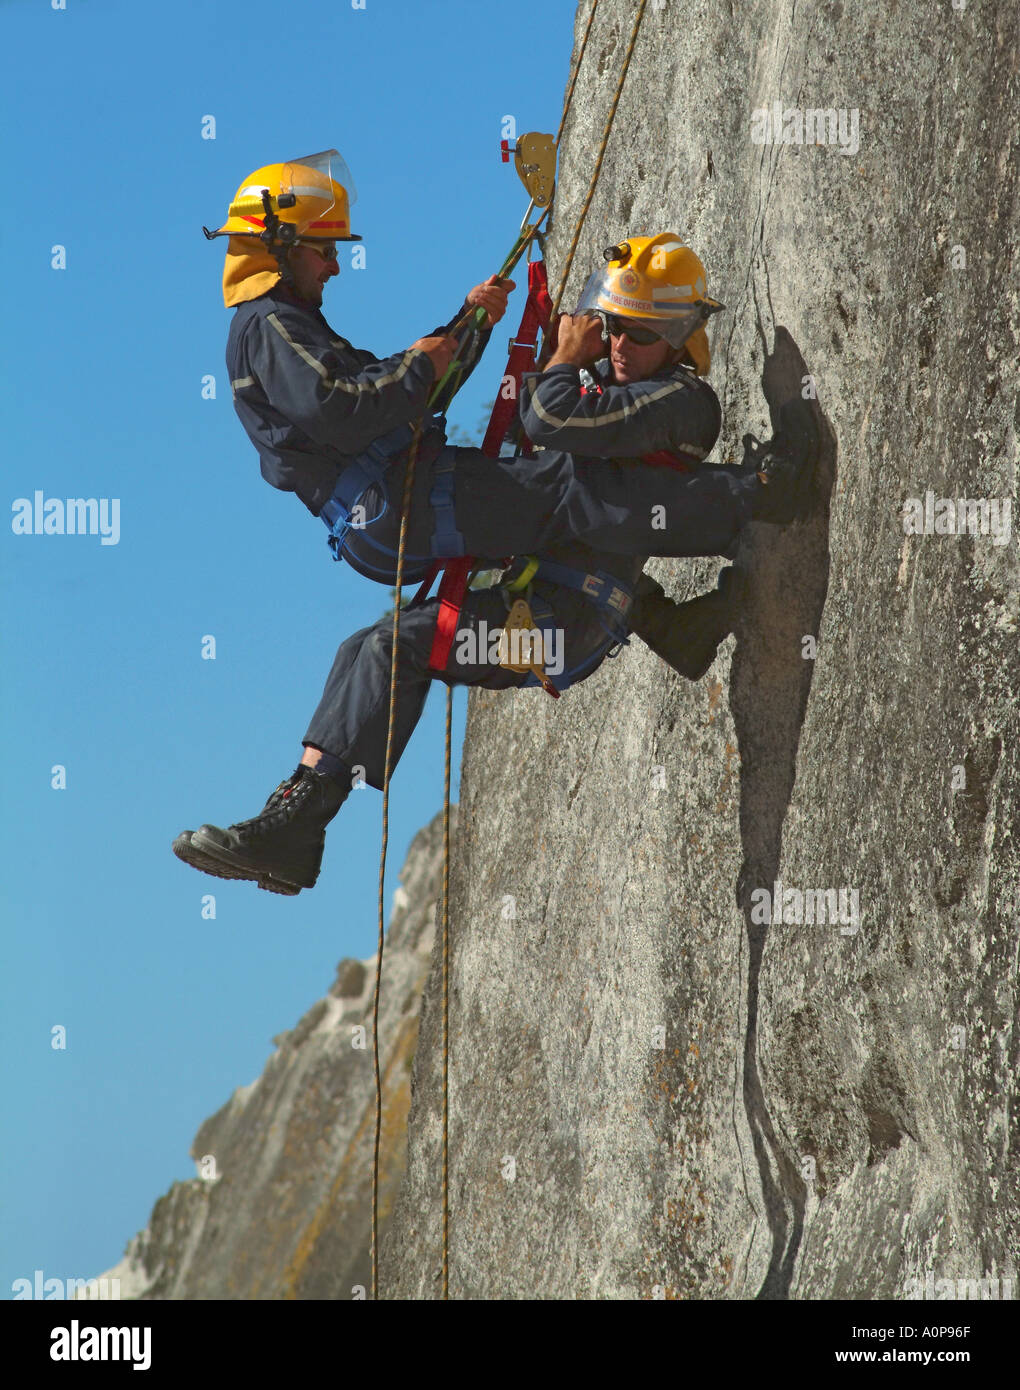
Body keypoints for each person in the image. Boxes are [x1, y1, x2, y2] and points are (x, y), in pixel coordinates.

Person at [172, 152, 815, 893]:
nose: (335, 268)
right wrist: (465, 358)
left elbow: (406, 392)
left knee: (377, 647)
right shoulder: (270, 327)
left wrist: (467, 326)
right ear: (280, 248)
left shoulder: (676, 400)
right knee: (565, 485)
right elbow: (351, 404)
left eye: (633, 334)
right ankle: (753, 497)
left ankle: (296, 825)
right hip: (420, 515)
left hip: (474, 567)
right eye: (324, 250)